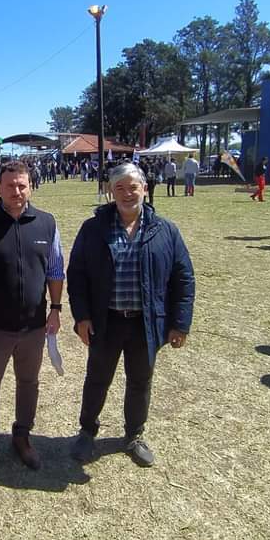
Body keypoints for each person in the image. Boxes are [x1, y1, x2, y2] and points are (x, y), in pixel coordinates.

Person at [67, 163, 195, 467]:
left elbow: (183, 277)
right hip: (105, 321)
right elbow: (77, 274)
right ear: (111, 192)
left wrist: (180, 323)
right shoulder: (93, 228)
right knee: (97, 378)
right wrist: (82, 316)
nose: (126, 193)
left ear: (145, 189)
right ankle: (87, 431)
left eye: (132, 187)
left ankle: (134, 435)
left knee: (140, 380)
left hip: (146, 324)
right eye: (119, 188)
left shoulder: (166, 230)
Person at [0, 161, 65, 476]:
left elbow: (55, 269)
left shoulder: (47, 224)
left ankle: (22, 435)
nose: (16, 191)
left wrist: (55, 308)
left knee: (28, 383)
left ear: (31, 186)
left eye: (22, 185)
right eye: (10, 185)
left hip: (33, 326)